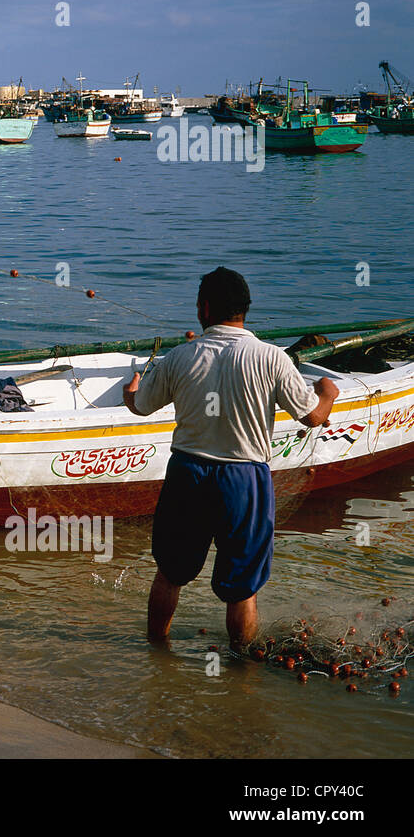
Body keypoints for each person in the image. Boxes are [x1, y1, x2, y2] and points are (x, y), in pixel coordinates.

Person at [122, 267, 338, 650]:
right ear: (245, 310)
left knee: (169, 574)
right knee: (241, 588)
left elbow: (140, 407)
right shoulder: (272, 358)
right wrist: (328, 391)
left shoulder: (180, 357)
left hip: (188, 473)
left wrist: (132, 388)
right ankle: (242, 677)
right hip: (243, 479)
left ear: (204, 309)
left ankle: (157, 655)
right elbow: (313, 417)